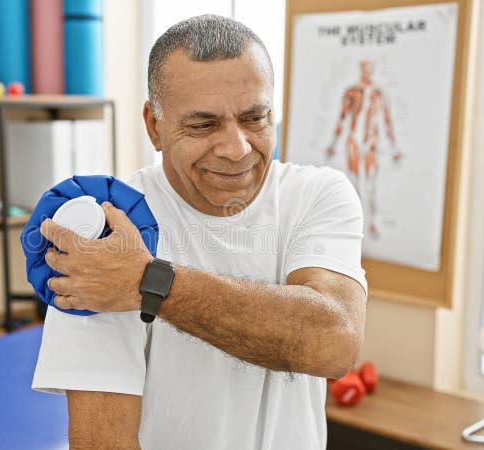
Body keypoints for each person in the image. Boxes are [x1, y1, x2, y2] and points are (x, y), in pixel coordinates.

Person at [32, 14, 367, 450]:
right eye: (203, 125)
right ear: (155, 126)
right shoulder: (105, 231)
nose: (237, 148)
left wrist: (147, 282)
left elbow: (333, 343)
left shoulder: (318, 194)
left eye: (254, 118)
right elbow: (102, 441)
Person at [326, 59, 402, 238]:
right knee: (353, 183)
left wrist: (394, 149)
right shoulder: (352, 92)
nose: (366, 72)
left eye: (369, 69)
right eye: (364, 68)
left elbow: (387, 121)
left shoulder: (379, 94)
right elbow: (342, 119)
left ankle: (373, 223)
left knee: (370, 184)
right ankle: (354, 226)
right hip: (353, 140)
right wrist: (333, 145)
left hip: (370, 143)